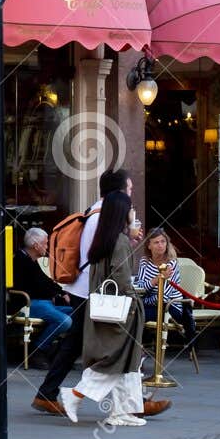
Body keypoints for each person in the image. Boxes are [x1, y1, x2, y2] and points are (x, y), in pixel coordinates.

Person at [32, 169, 169, 418]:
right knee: (116, 345)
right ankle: (129, 402)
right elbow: (103, 256)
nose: (131, 194)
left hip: (86, 291)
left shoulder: (96, 214)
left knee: (83, 345)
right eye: (128, 189)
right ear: (117, 193)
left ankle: (49, 393)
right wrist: (126, 238)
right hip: (92, 293)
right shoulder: (101, 218)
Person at [62, 190, 146, 425]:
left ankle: (122, 411)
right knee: (115, 359)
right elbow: (121, 277)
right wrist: (133, 300)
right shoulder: (119, 242)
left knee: (127, 361)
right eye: (131, 209)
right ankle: (75, 394)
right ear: (122, 213)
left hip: (103, 306)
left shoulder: (105, 239)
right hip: (120, 308)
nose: (133, 213)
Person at [13, 227, 72, 353]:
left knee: (76, 313)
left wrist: (61, 293)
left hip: (42, 303)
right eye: (45, 243)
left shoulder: (31, 260)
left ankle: (61, 351)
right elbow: (36, 287)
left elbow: (45, 281)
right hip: (27, 305)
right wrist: (57, 293)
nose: (47, 246)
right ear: (35, 245)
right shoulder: (20, 260)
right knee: (65, 321)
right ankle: (38, 349)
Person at [136, 228, 196, 342]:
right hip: (152, 306)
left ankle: (140, 348)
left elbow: (163, 298)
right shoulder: (144, 261)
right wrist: (156, 280)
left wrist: (143, 300)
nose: (160, 245)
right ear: (149, 246)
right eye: (156, 242)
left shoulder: (171, 264)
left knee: (136, 313)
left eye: (163, 241)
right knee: (132, 311)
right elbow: (140, 287)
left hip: (171, 308)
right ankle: (139, 348)